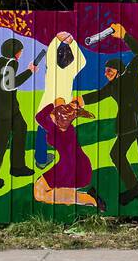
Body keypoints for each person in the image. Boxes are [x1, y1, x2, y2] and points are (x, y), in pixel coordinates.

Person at [79, 22, 138, 206]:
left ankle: (135, 187)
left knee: (117, 154)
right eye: (105, 71)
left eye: (109, 71)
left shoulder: (130, 73)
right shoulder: (111, 86)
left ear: (118, 70)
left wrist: (125, 35)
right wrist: (79, 101)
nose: (106, 74)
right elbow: (97, 95)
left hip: (131, 123)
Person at [33, 32, 103, 210]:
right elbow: (82, 61)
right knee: (44, 135)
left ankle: (90, 199)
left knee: (40, 192)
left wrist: (57, 39)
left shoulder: (55, 70)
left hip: (55, 113)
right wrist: (72, 43)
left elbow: (40, 117)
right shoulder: (69, 69)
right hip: (63, 118)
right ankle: (90, 199)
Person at [0, 37, 37, 192]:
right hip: (4, 111)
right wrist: (29, 71)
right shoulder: (11, 63)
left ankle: (17, 166)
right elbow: (10, 84)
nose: (21, 54)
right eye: (20, 51)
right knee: (1, 142)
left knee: (21, 128)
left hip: (8, 108)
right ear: (15, 52)